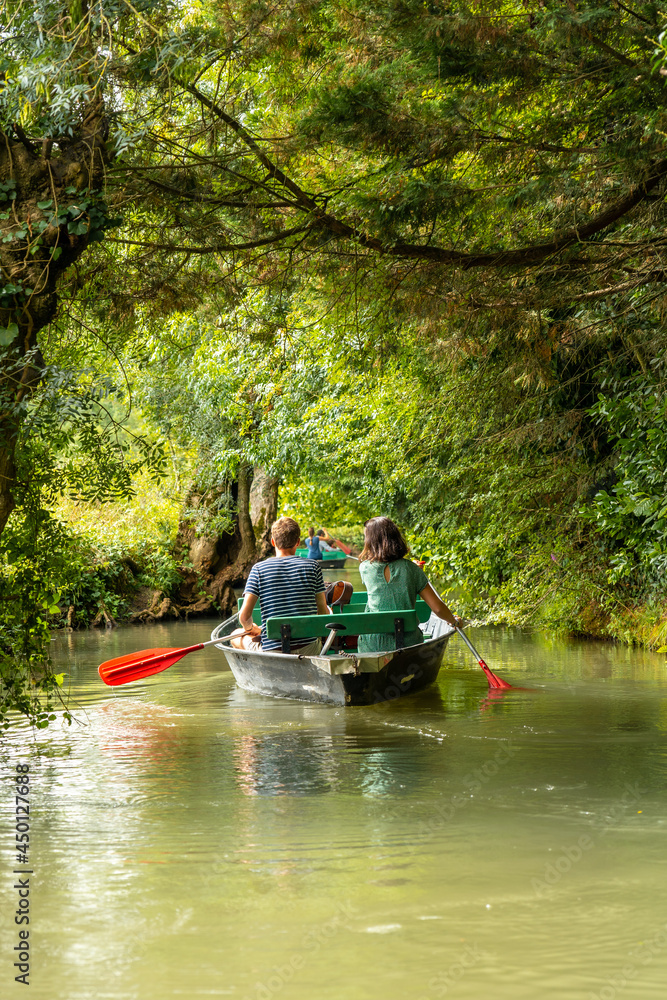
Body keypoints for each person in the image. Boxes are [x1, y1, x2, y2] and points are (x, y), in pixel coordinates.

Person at [357, 516, 462, 653]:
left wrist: (412, 571)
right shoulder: (411, 570)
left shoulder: (364, 568)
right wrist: (454, 621)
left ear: (371, 542)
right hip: (408, 644)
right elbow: (437, 608)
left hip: (372, 645)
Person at [231, 517, 329, 654]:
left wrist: (250, 629)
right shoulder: (313, 566)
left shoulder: (259, 569)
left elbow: (244, 617)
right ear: (298, 542)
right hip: (309, 648)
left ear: (272, 542)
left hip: (273, 650)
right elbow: (323, 612)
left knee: (236, 636)